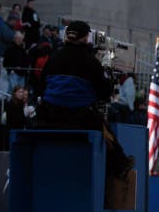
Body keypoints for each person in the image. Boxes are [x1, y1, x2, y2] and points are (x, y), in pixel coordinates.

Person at [36, 20, 134, 177]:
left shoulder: (53, 58)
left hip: (49, 114)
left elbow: (40, 87)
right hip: (79, 116)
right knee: (105, 130)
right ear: (84, 38)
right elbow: (105, 93)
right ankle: (120, 165)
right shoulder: (91, 62)